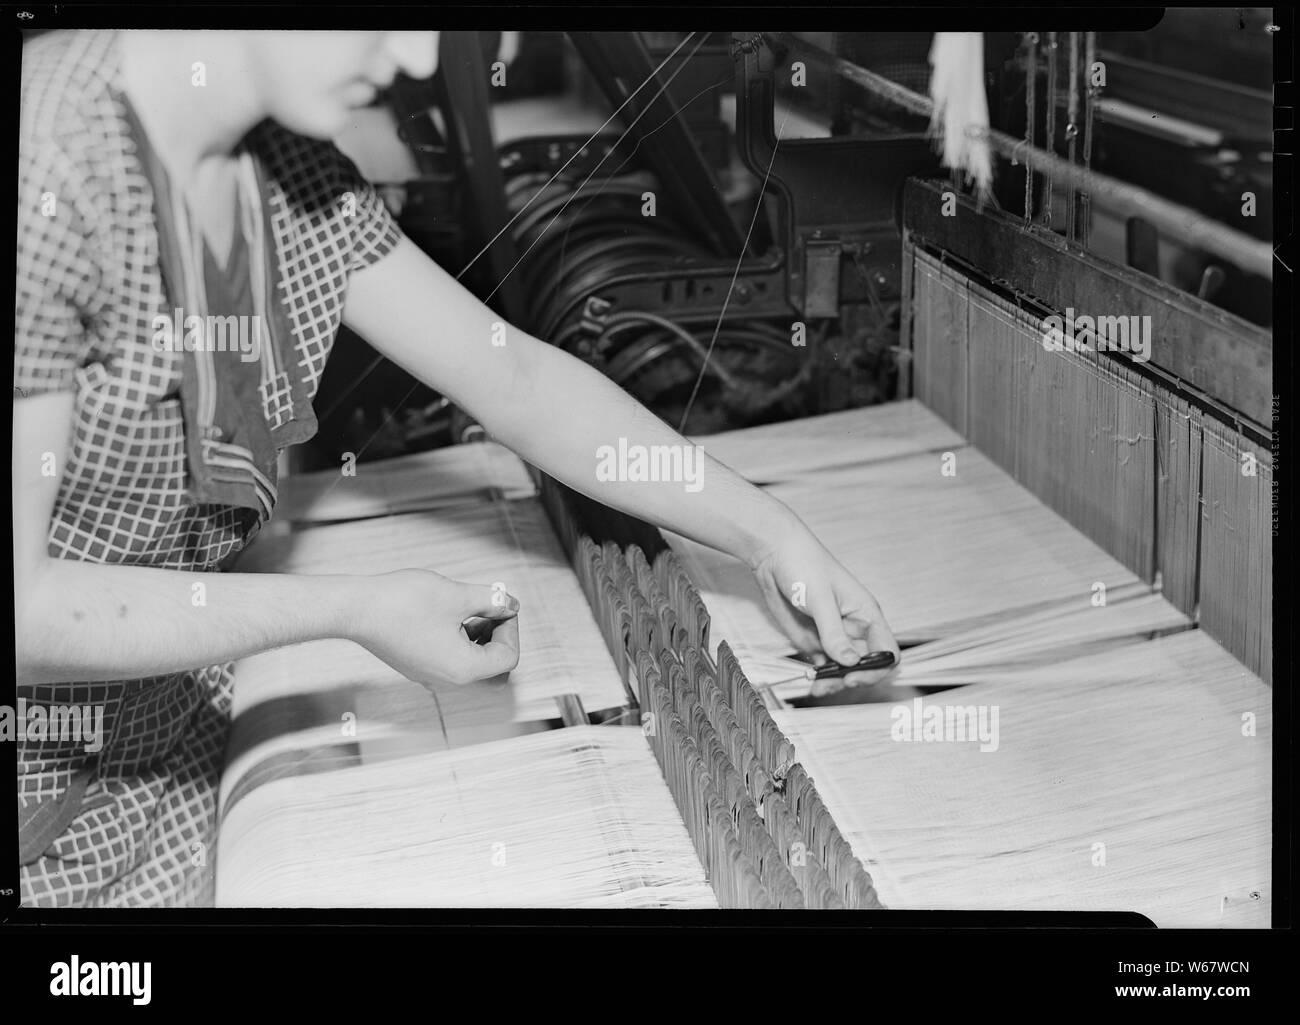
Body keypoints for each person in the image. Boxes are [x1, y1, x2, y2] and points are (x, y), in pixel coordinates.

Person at [14, 29, 900, 907]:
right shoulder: (46, 170)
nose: (418, 60)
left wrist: (773, 535)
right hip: (44, 807)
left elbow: (511, 376)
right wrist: (353, 610)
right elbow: (24, 610)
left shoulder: (287, 175)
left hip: (179, 738)